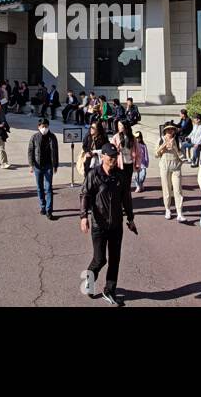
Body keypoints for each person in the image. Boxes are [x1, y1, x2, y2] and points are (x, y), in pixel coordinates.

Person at [80, 143, 137, 306]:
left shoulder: (120, 175)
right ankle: (89, 279)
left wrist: (131, 219)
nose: (113, 159)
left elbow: (126, 198)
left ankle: (109, 290)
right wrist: (83, 216)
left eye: (115, 156)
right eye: (110, 156)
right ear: (103, 156)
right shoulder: (94, 174)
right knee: (99, 259)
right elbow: (84, 194)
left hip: (116, 224)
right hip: (99, 224)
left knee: (115, 259)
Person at [28, 118, 60, 219]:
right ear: (38, 127)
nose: (44, 128)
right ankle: (43, 206)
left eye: (46, 126)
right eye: (42, 126)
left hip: (48, 166)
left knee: (49, 188)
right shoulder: (34, 137)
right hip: (37, 166)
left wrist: (55, 165)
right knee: (39, 188)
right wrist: (31, 164)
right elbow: (30, 151)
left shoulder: (52, 137)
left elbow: (55, 152)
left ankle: (49, 210)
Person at [156, 123, 187, 221]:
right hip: (164, 167)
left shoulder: (177, 140)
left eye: (172, 130)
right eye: (168, 130)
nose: (170, 131)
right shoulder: (161, 139)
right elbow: (156, 154)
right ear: (165, 131)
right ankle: (167, 209)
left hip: (176, 167)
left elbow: (183, 156)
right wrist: (163, 146)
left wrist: (175, 147)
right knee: (166, 190)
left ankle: (179, 213)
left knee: (178, 190)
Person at [109, 119, 140, 191]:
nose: (119, 127)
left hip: (130, 163)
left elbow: (138, 152)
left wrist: (137, 163)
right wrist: (117, 148)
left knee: (128, 182)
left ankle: (126, 198)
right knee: (120, 182)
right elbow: (111, 150)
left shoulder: (132, 138)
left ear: (125, 126)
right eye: (118, 125)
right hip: (120, 164)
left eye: (120, 125)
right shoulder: (116, 137)